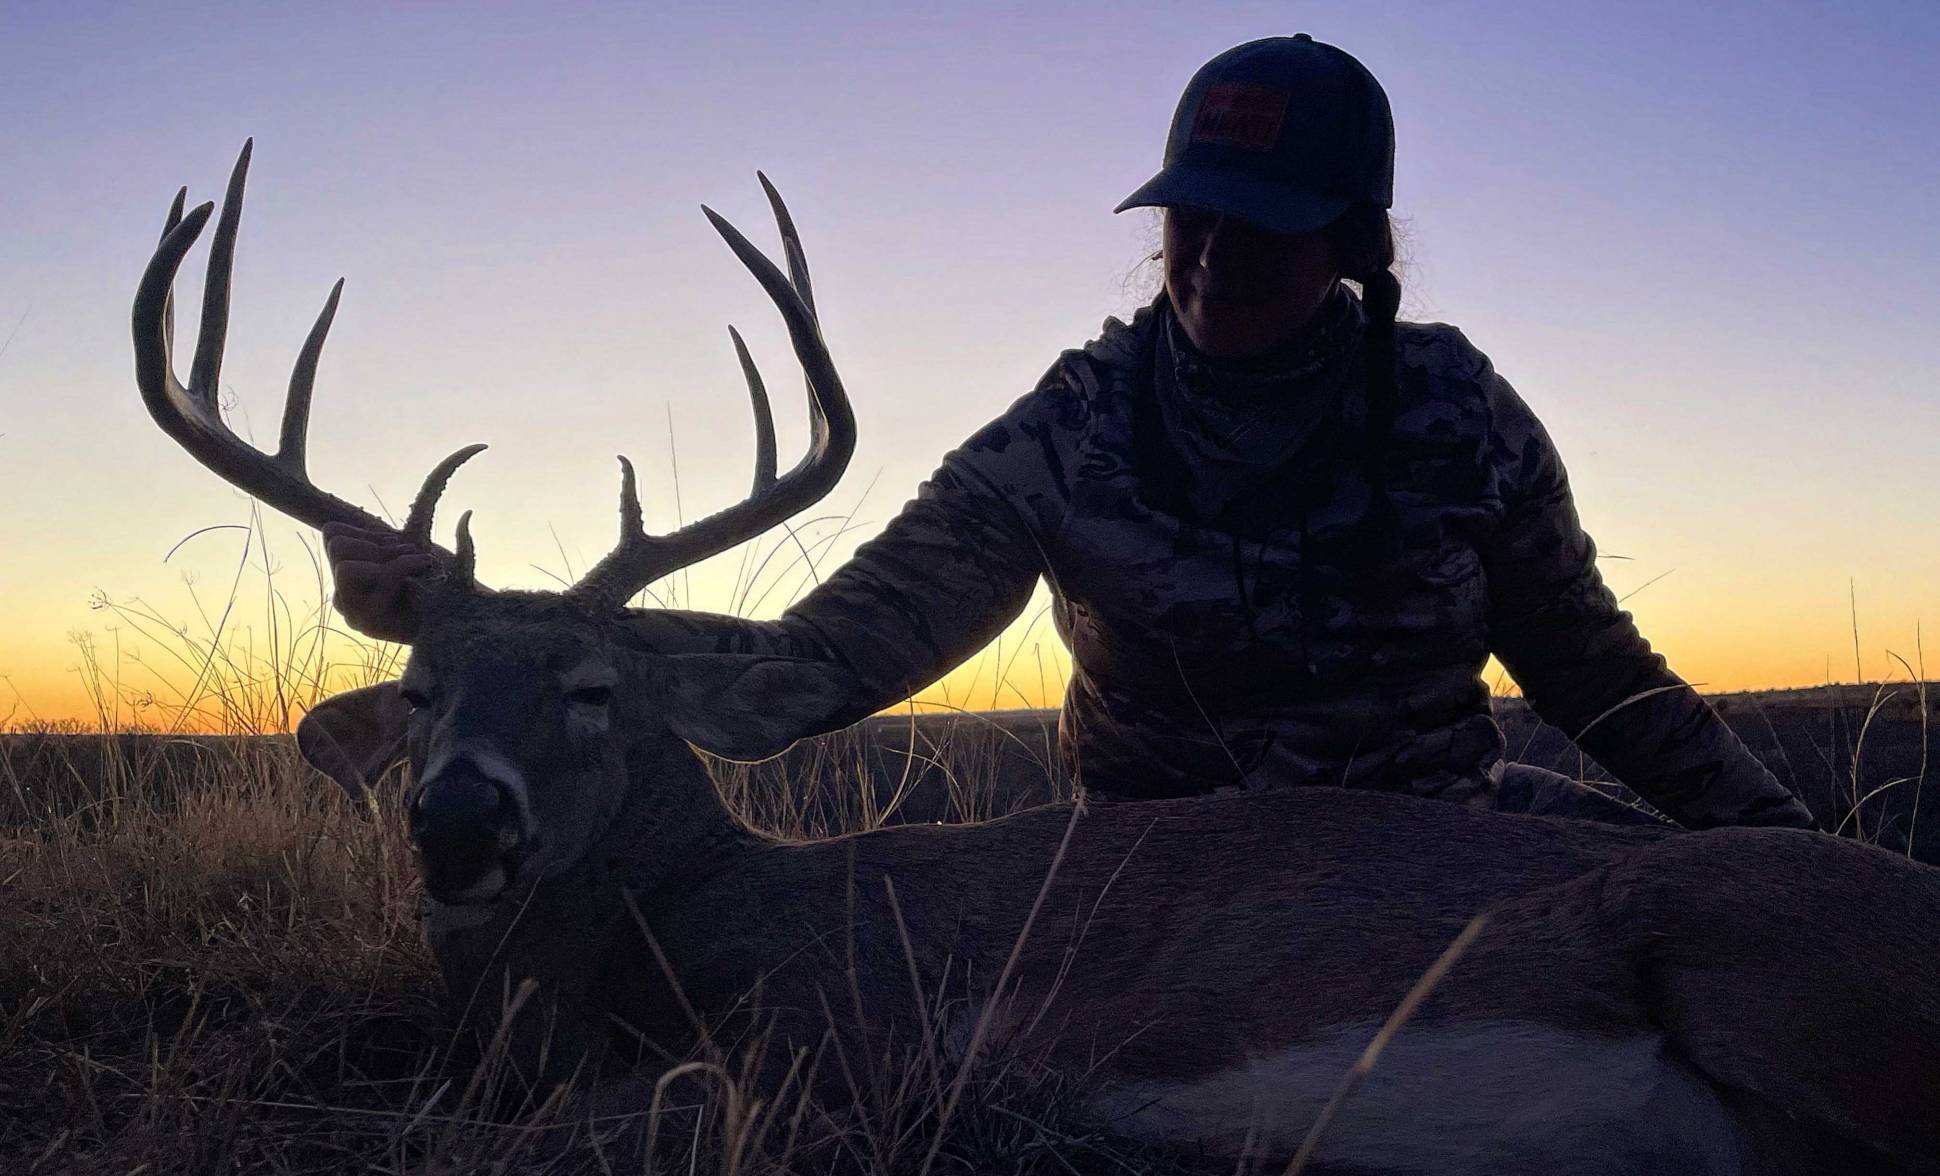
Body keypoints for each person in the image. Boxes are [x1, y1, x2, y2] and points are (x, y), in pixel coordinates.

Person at [327, 34, 1813, 832]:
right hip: (1151, 908)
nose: (1218, 260)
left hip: (1429, 874)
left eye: (1271, 230)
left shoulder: (1455, 415)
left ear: (1356, 247)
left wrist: (1791, 850)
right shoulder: (1071, 428)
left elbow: (1603, 684)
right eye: (1193, 220)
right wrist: (468, 629)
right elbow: (811, 667)